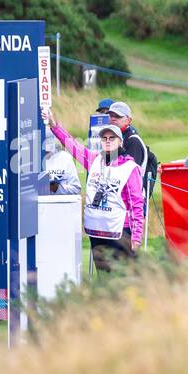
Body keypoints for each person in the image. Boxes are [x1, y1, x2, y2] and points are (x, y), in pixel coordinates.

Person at [45, 108, 143, 272]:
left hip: (119, 231)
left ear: (120, 142)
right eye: (104, 138)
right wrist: (55, 126)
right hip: (96, 231)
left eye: (112, 138)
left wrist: (137, 237)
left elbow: (136, 204)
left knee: (123, 278)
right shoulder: (94, 160)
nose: (108, 141)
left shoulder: (129, 167)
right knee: (104, 279)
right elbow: (72, 144)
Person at [105, 101, 156, 213]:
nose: (113, 119)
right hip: (118, 199)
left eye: (118, 116)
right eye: (111, 116)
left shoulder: (133, 141)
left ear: (128, 120)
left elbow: (129, 175)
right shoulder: (114, 139)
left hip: (130, 202)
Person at [38, 126, 80, 195]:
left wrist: (57, 188)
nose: (46, 151)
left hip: (59, 204)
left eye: (48, 149)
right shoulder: (31, 161)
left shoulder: (65, 158)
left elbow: (76, 189)